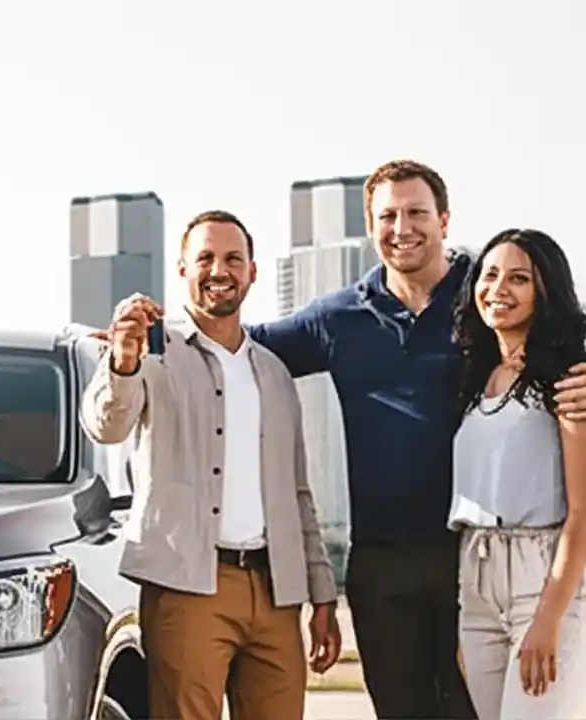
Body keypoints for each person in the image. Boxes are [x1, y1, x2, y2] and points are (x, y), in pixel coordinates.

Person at [242, 159, 586, 718]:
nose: (402, 227)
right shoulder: (338, 317)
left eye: (417, 213)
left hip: (471, 556)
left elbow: (561, 330)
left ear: (444, 219)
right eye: (388, 216)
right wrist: (148, 335)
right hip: (381, 564)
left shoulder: (485, 294)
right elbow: (246, 345)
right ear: (370, 225)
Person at [80, 210, 341, 720]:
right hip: (188, 588)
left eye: (232, 259)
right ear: (182, 269)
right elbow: (105, 425)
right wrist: (124, 361)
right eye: (205, 258)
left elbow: (298, 493)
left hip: (275, 592)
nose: (218, 270)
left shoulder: (274, 372)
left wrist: (323, 596)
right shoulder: (151, 353)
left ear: (251, 272)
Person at [448, 229, 586, 719]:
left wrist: (549, 619)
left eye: (519, 278)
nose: (498, 288)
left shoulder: (570, 382)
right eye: (490, 275)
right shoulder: (475, 378)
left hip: (542, 573)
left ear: (545, 291)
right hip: (477, 572)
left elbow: (582, 513)